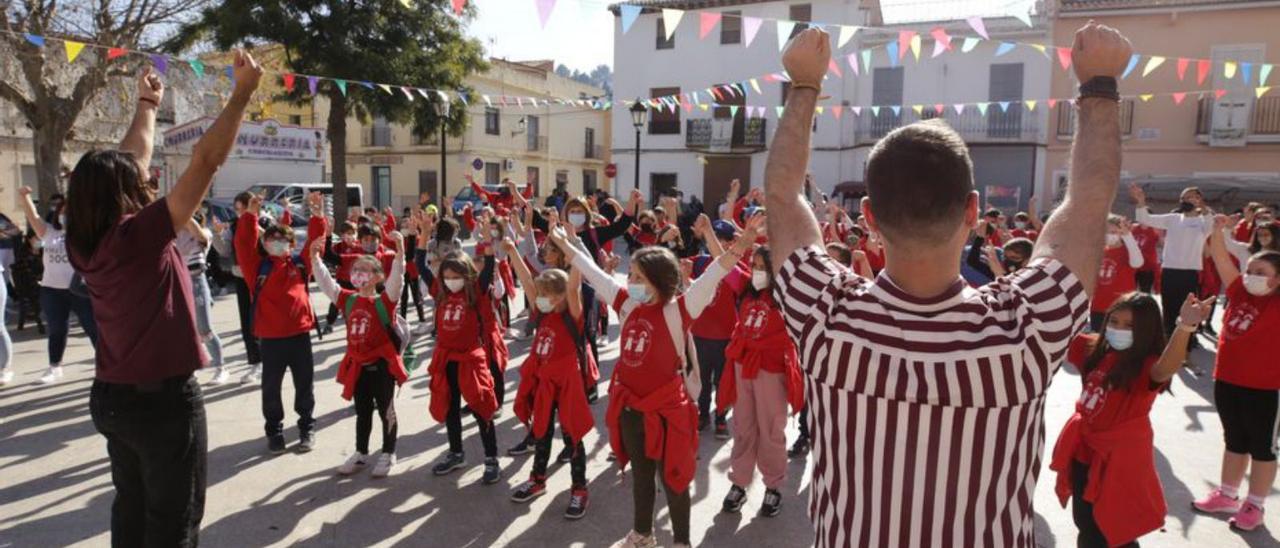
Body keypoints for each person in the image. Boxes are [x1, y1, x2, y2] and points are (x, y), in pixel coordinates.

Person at [764, 25, 1129, 546]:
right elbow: (1090, 202)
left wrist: (803, 86)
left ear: (867, 217)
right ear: (973, 210)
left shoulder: (825, 316)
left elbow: (780, 196)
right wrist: (1099, 86)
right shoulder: (1026, 328)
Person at [65, 53, 261, 547]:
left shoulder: (84, 240)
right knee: (174, 522)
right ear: (120, 196)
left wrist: (148, 104)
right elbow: (206, 161)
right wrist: (241, 94)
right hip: (161, 404)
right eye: (138, 183)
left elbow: (133, 160)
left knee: (130, 511)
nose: (147, 180)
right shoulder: (138, 236)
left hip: (112, 398)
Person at [547, 213, 760, 548]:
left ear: (660, 281)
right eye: (631, 275)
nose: (630, 281)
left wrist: (741, 247)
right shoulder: (627, 304)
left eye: (639, 277)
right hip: (631, 407)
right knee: (642, 478)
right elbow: (593, 273)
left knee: (675, 479)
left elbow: (715, 275)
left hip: (669, 411)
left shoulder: (682, 308)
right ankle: (643, 535)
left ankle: (681, 542)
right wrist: (565, 244)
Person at [1050, 292, 1212, 547]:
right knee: (1085, 523)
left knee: (1113, 529)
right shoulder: (1092, 348)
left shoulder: (1145, 364)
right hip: (1084, 452)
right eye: (1114, 322)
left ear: (1147, 331)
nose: (1118, 329)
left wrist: (1185, 327)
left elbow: (1164, 369)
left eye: (1130, 326)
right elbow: (1052, 334)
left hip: (1118, 460)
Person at [1191, 217, 1280, 532]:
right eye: (1251, 270)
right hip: (1228, 379)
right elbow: (1220, 257)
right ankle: (1227, 495)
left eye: (1262, 273)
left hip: (1267, 388)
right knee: (1234, 441)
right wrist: (1217, 231)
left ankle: (1254, 505)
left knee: (1262, 448)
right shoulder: (1240, 289)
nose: (1253, 276)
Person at [504, 241, 594, 519]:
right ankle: (537, 479)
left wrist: (574, 249)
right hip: (544, 385)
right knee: (541, 433)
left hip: (568, 387)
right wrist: (511, 251)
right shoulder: (542, 314)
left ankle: (579, 489)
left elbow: (574, 286)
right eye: (539, 294)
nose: (539, 298)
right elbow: (528, 282)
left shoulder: (573, 316)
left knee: (573, 438)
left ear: (561, 296)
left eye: (546, 294)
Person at [235, 191, 326, 455]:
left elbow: (315, 243)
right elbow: (243, 243)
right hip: (271, 338)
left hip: (300, 335)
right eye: (272, 238)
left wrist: (318, 216)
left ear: (290, 243)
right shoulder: (257, 268)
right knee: (271, 388)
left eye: (283, 239)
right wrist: (251, 215)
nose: (278, 242)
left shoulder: (299, 264)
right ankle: (274, 431)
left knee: (305, 386)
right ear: (264, 243)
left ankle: (306, 426)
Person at [718, 244, 805, 519]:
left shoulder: (788, 295)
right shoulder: (746, 287)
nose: (757, 271)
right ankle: (739, 483)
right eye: (754, 265)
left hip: (772, 370)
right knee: (743, 427)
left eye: (762, 267)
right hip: (743, 365)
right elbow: (726, 264)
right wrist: (709, 232)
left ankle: (773, 487)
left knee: (771, 430)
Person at [313, 232, 408, 478]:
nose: (358, 274)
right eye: (356, 269)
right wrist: (315, 259)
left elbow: (397, 281)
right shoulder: (348, 300)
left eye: (365, 270)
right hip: (359, 367)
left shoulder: (384, 301)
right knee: (362, 411)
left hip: (382, 367)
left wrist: (400, 255)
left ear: (378, 277)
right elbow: (327, 284)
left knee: (386, 410)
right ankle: (361, 452)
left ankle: (388, 452)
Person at [422, 249, 505, 485]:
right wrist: (423, 237)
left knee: (482, 408)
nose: (451, 281)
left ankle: (491, 459)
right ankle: (456, 453)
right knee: (450, 408)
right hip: (447, 360)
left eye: (456, 276)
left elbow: (488, 270)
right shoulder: (441, 293)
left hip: (470, 359)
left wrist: (489, 248)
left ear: (467, 275)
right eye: (447, 276)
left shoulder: (475, 293)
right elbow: (421, 265)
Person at [17, 185, 99, 384]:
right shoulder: (49, 232)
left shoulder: (87, 234)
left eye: (70, 213)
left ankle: (106, 364)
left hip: (80, 290)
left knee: (93, 328)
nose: (65, 215)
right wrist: (25, 197)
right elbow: (33, 215)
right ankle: (55, 367)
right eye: (63, 211)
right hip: (52, 290)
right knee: (56, 329)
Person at [1129, 184, 1213, 344]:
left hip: (1189, 273)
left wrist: (1202, 207)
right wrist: (1140, 201)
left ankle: (1186, 346)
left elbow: (1210, 225)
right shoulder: (1173, 219)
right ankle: (1167, 343)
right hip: (1169, 271)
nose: (1188, 200)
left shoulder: (1204, 221)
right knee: (1168, 309)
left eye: (1193, 197)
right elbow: (1144, 218)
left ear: (1200, 199)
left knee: (1188, 311)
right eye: (1185, 197)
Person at [689, 218, 749, 440]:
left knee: (723, 382)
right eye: (714, 238)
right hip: (700, 333)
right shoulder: (698, 263)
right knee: (702, 380)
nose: (718, 243)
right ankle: (703, 414)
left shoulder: (738, 268)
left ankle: (721, 417)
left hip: (726, 335)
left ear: (732, 242)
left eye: (723, 239)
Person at [176, 213, 227, 383]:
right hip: (179, 283)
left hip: (197, 281)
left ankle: (221, 368)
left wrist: (185, 213)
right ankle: (192, 367)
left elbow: (199, 236)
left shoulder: (204, 234)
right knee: (187, 330)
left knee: (204, 329)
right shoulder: (175, 234)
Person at [1089, 215, 1144, 332]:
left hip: (1121, 308)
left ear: (1121, 234)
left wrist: (1128, 235)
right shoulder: (1099, 251)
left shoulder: (1128, 251)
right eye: (1107, 232)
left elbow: (1138, 263)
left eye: (1114, 232)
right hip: (1098, 307)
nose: (1110, 235)